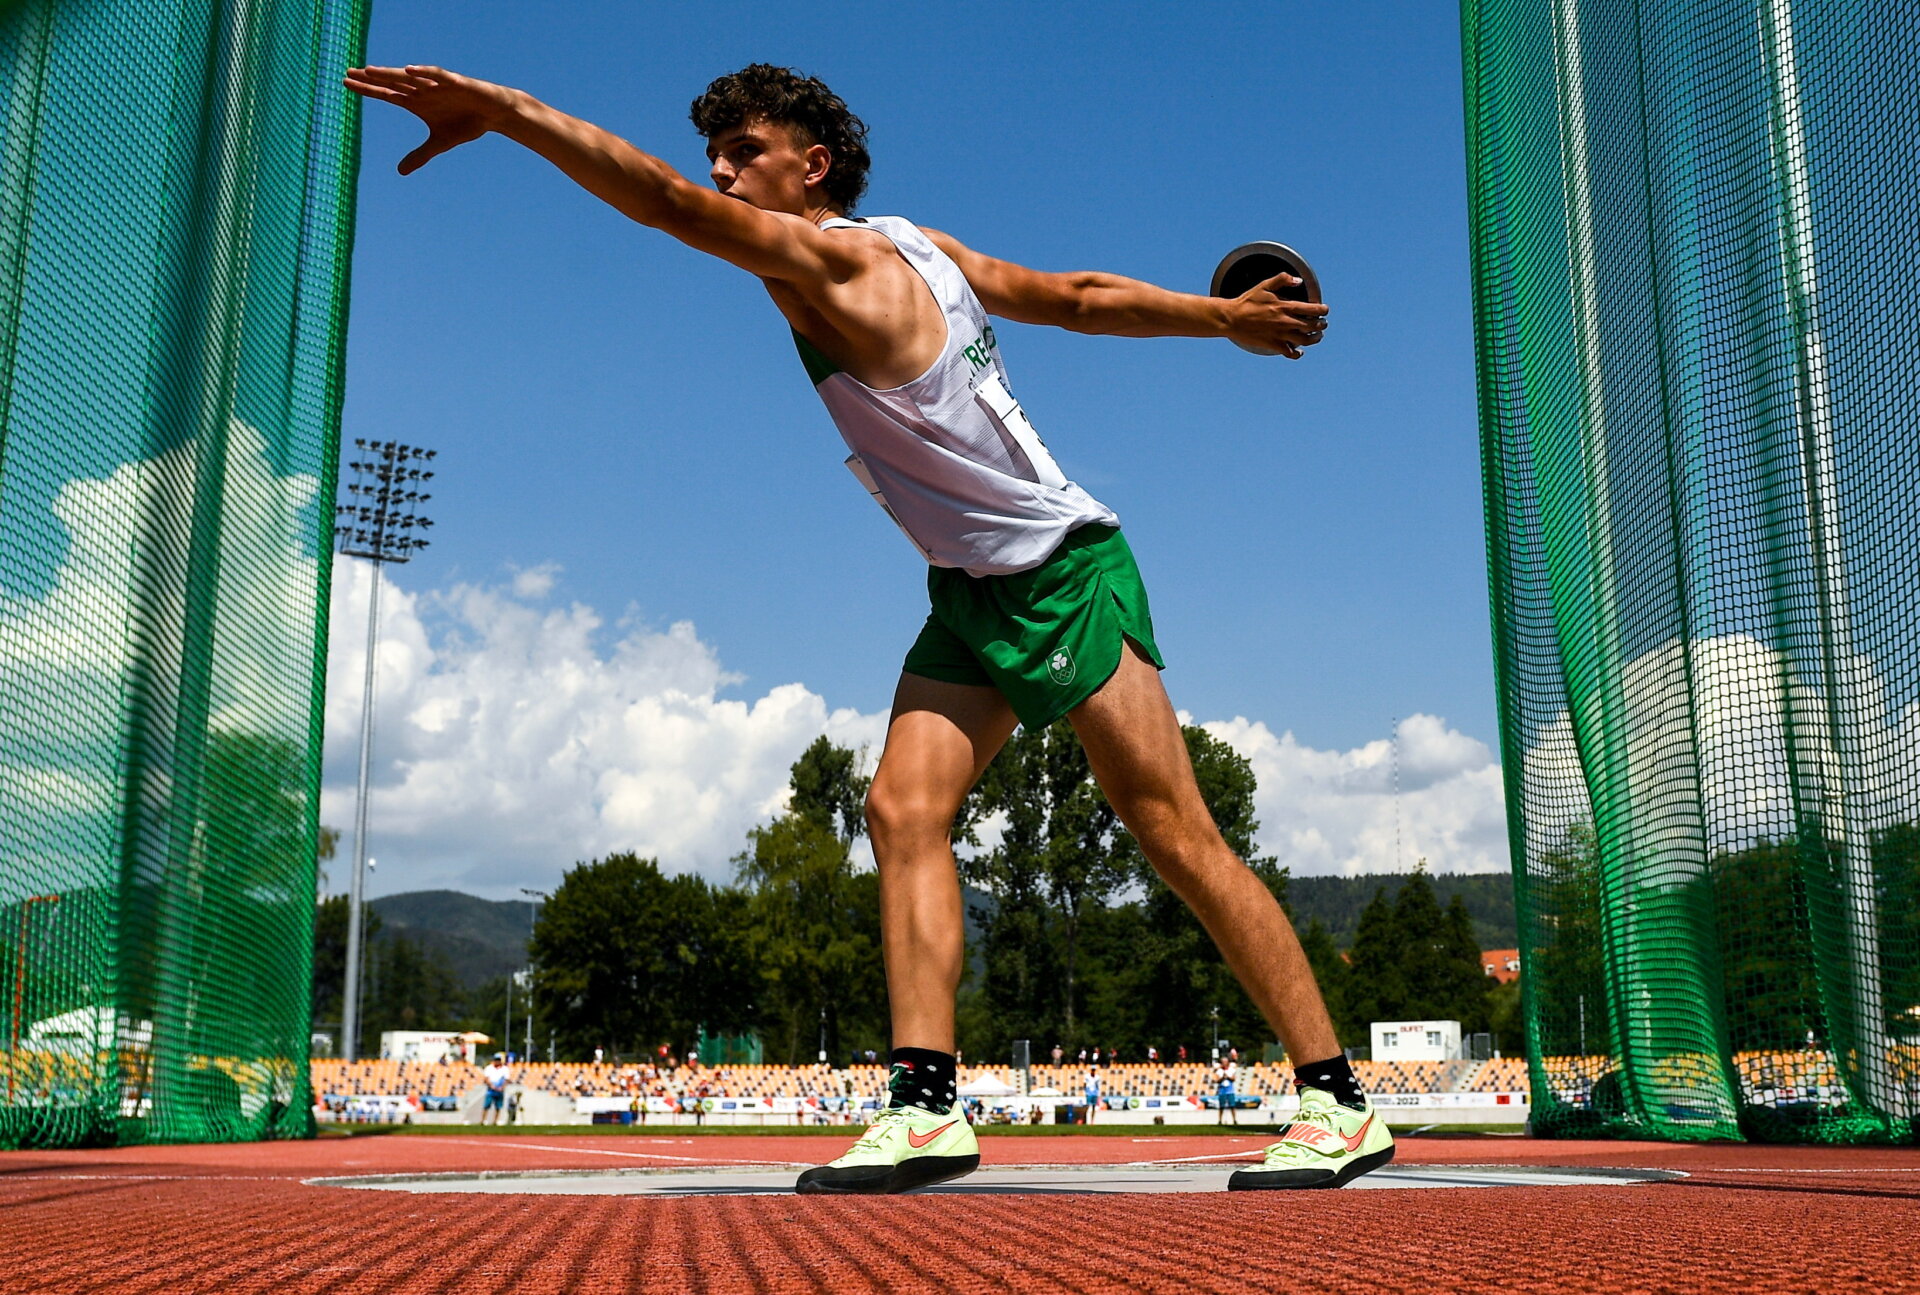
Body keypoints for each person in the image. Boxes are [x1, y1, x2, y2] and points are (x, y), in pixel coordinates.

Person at [346, 58, 1390, 1195]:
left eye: (744, 153)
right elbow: (1078, 294)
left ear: (813, 165)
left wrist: (506, 113)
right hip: (971, 584)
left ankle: (1336, 1097)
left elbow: (658, 200)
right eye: (719, 153)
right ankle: (927, 1103)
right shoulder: (921, 244)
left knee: (1175, 835)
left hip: (1063, 570)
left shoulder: (828, 257)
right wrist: (1220, 320)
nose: (722, 173)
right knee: (902, 805)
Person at [479, 1052, 511, 1126]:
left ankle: (495, 1121)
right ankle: (483, 1121)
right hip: (491, 1090)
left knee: (498, 1107)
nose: (497, 1061)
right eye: (496, 1059)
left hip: (500, 1090)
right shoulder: (489, 1068)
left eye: (498, 1060)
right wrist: (492, 1086)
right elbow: (486, 1078)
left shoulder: (505, 1069)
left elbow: (507, 1079)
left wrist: (501, 1087)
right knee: (486, 1106)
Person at [1214, 1055, 1239, 1126]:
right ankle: (1220, 1120)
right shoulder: (1219, 1071)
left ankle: (1234, 1120)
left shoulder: (1231, 1070)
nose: (1224, 1063)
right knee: (1221, 1106)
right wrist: (1222, 1077)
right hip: (1222, 1090)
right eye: (1223, 1062)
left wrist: (1227, 1077)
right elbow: (1217, 1080)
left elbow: (1233, 1079)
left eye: (1225, 1062)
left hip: (1230, 1090)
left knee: (1232, 1106)